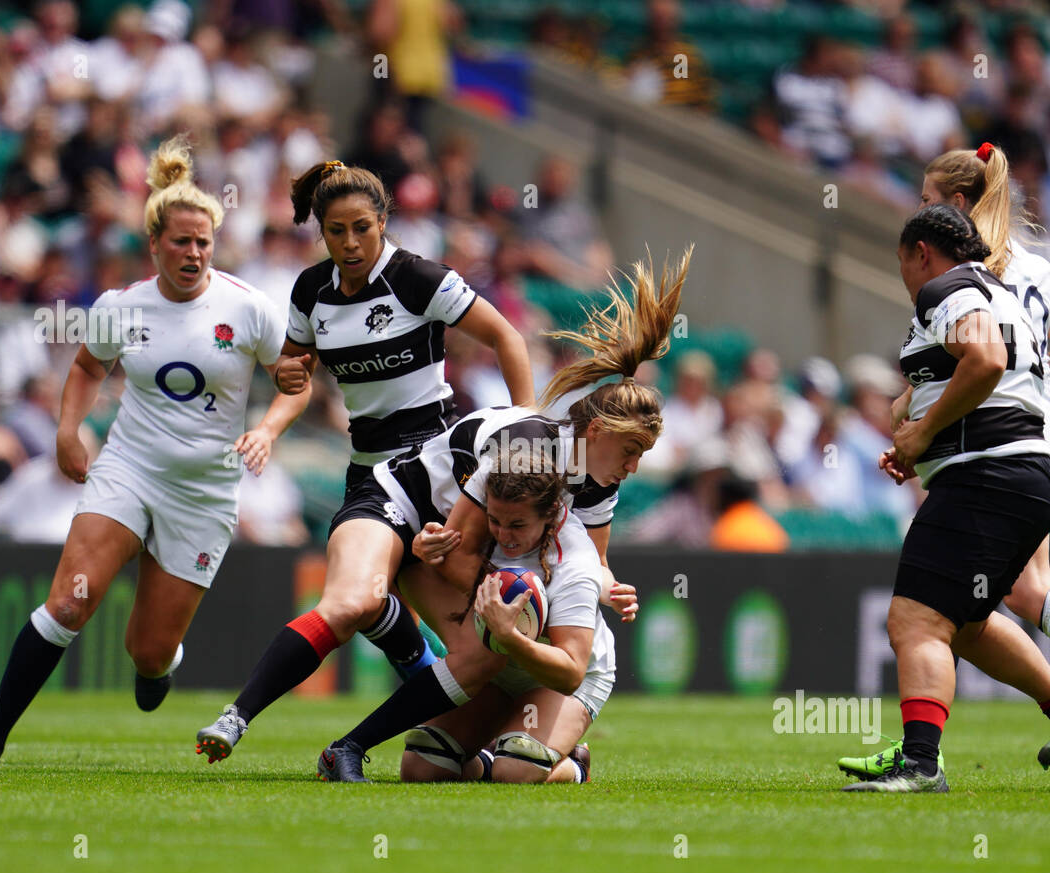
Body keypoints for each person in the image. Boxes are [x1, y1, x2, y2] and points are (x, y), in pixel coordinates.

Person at [195, 251, 691, 780]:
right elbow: (460, 549)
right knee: (352, 604)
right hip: (400, 505)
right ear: (597, 434)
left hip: (446, 541)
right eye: (631, 452)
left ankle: (430, 737)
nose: (635, 468)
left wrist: (605, 585)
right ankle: (238, 717)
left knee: (481, 655)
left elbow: (590, 562)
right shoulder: (525, 451)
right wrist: (497, 585)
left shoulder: (595, 481)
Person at [0, 136, 311, 765]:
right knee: (70, 600)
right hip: (129, 469)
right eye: (181, 241)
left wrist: (269, 428)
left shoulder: (250, 308)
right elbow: (88, 369)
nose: (194, 252)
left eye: (203, 242)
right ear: (154, 244)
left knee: (148, 652)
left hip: (204, 490)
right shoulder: (121, 308)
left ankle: (159, 665)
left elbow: (297, 379)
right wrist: (69, 432)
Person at [841, 142, 1050, 784]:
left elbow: (983, 356)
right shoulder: (1027, 265)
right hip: (1027, 440)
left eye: (927, 203)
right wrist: (1029, 382)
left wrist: (945, 410)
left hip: (989, 448)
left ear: (956, 207)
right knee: (978, 611)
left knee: (947, 610)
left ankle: (929, 754)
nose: (919, 216)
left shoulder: (958, 272)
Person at [275, 158, 535, 679]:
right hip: (367, 470)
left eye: (361, 229)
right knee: (370, 599)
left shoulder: (418, 277)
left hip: (432, 466)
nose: (349, 242)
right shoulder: (310, 291)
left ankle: (532, 709)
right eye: (336, 231)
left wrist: (525, 423)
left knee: (468, 605)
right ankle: (437, 697)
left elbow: (506, 335)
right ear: (321, 232)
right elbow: (294, 363)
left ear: (383, 223)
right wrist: (287, 374)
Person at [400, 453, 606, 784]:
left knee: (517, 767)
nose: (504, 535)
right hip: (496, 668)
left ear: (550, 513)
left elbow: (570, 672)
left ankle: (576, 764)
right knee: (423, 765)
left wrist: (510, 637)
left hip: (559, 681)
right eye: (495, 520)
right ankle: (487, 757)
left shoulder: (576, 564)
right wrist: (425, 549)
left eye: (518, 525)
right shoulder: (480, 526)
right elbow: (432, 560)